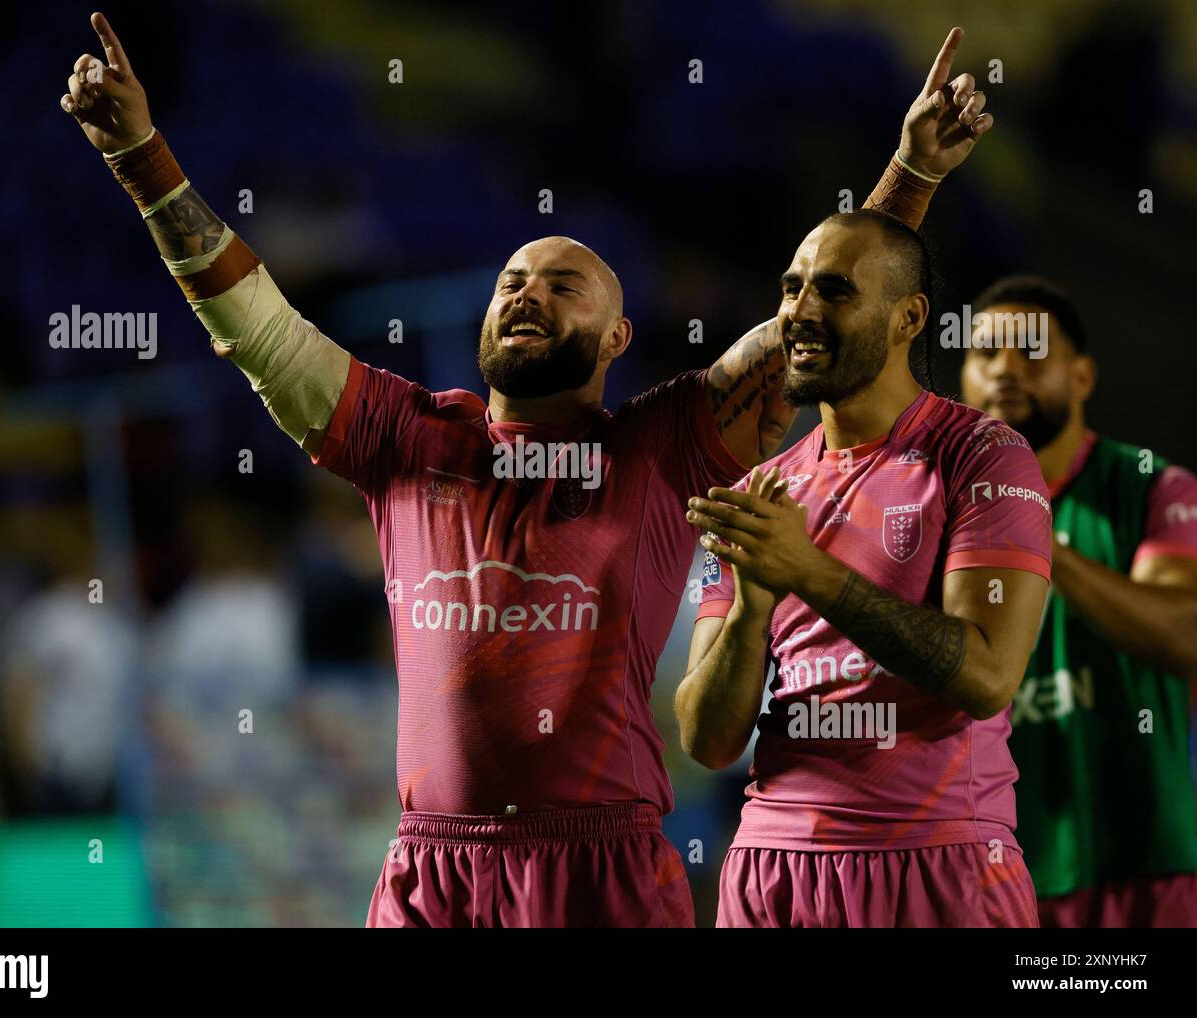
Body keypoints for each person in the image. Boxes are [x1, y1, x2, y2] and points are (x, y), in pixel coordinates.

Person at [61, 11, 990, 927]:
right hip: (433, 874)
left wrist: (910, 176)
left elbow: (817, 325)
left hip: (605, 872)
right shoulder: (403, 437)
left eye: (563, 285)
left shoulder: (659, 447)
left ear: (618, 338)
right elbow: (255, 326)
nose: (527, 296)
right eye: (512, 283)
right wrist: (141, 158)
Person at [679, 211, 1051, 927]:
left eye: (835, 290)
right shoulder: (764, 488)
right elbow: (707, 739)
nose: (801, 312)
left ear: (909, 316)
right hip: (771, 869)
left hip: (936, 860)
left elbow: (985, 677)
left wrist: (808, 571)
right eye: (792, 289)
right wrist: (754, 608)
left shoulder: (982, 454)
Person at [960, 275, 1197, 927]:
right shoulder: (935, 507)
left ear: (1083, 376)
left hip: (1146, 875)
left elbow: (1184, 635)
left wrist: (1034, 537)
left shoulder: (1152, 487)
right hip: (989, 881)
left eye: (1030, 352)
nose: (1006, 369)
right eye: (986, 354)